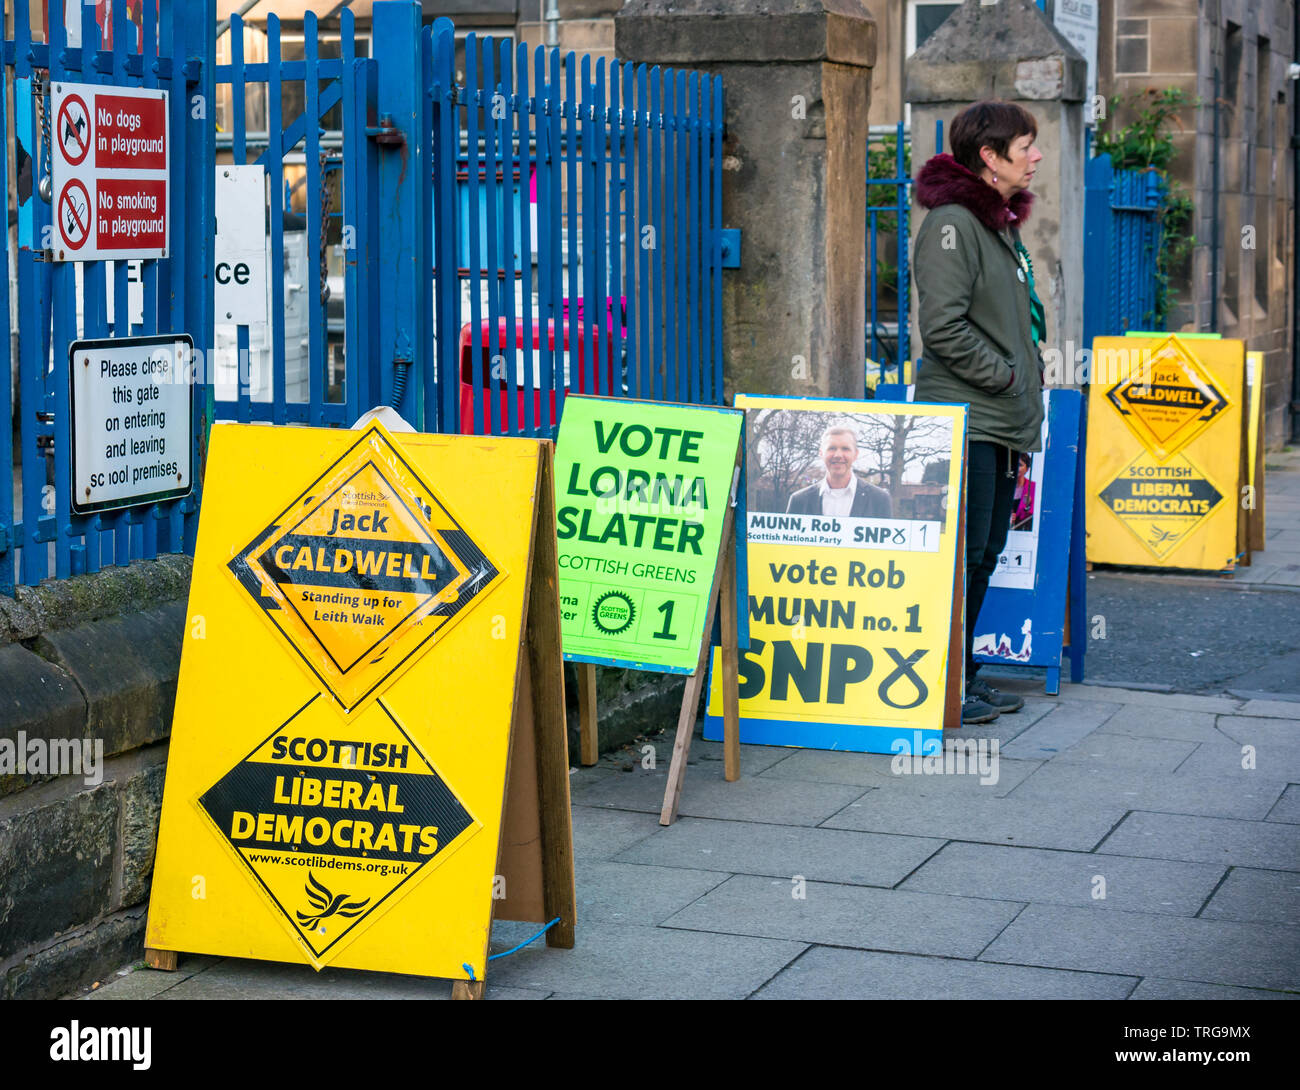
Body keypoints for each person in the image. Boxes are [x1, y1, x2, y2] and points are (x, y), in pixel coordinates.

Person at [912, 100, 1047, 725]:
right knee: (963, 555)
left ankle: (962, 674)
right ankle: (943, 686)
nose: (1037, 156)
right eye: (1026, 146)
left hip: (995, 421)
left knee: (987, 549)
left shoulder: (997, 224)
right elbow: (943, 328)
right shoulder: (952, 224)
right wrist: (1008, 377)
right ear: (989, 158)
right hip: (965, 419)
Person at [786, 426, 892, 518]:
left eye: (845, 449)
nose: (838, 455)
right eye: (832, 448)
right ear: (821, 453)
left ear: (855, 454)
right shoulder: (798, 501)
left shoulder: (879, 499)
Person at [1011, 453, 1035, 531]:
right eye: (1013, 464)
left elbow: (1033, 515)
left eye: (1020, 465)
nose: (1016, 468)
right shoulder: (1004, 486)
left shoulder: (1032, 487)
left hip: (1023, 531)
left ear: (1027, 469)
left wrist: (1027, 506)